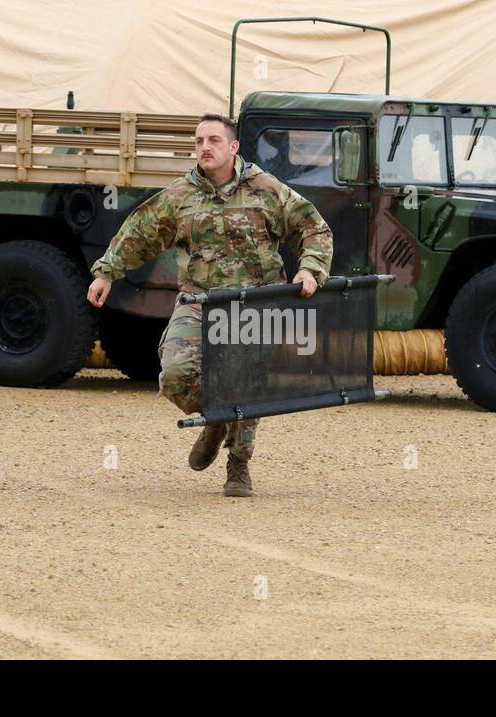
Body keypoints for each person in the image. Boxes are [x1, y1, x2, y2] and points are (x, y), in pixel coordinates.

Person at [87, 114, 334, 497]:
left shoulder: (266, 189)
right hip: (200, 300)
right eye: (200, 140)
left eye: (214, 140)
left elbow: (312, 228)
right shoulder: (179, 196)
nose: (205, 147)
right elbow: (139, 232)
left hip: (256, 304)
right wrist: (106, 272)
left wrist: (310, 270)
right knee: (174, 374)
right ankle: (216, 419)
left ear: (233, 148)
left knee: (247, 384)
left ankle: (238, 465)